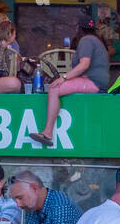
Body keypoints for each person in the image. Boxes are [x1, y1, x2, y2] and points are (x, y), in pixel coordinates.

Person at [29, 18, 110, 147]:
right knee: (59, 86)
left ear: (79, 29)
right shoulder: (95, 40)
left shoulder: (86, 40)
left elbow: (84, 65)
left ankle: (47, 133)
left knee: (54, 89)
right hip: (96, 81)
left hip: (94, 83)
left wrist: (64, 78)